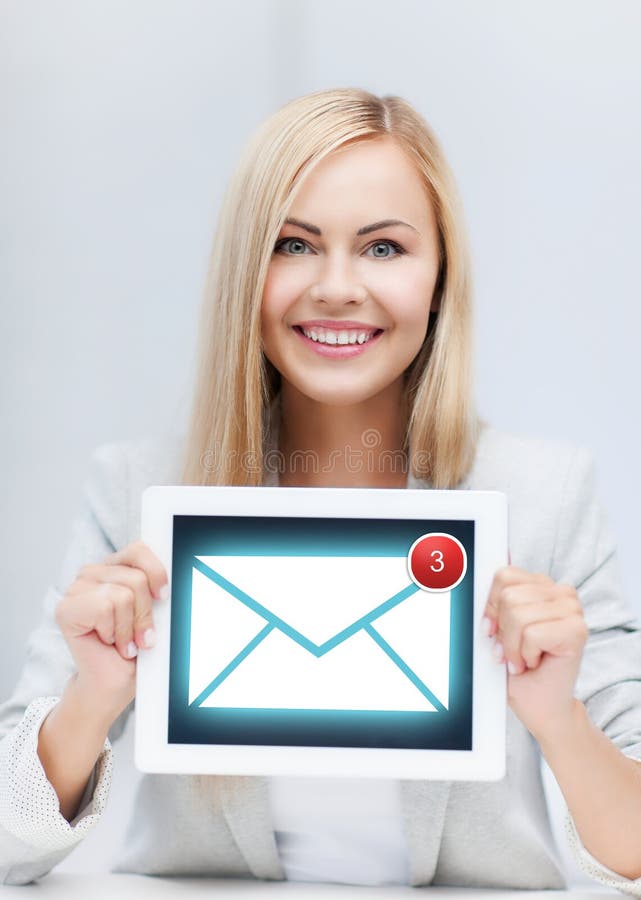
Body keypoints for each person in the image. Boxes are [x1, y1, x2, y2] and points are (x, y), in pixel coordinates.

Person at [1, 87, 641, 892]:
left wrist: (558, 719)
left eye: (382, 249)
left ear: (439, 276)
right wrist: (89, 701)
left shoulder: (543, 494)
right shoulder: (139, 489)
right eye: (293, 244)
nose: (337, 287)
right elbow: (7, 843)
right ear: (246, 271)